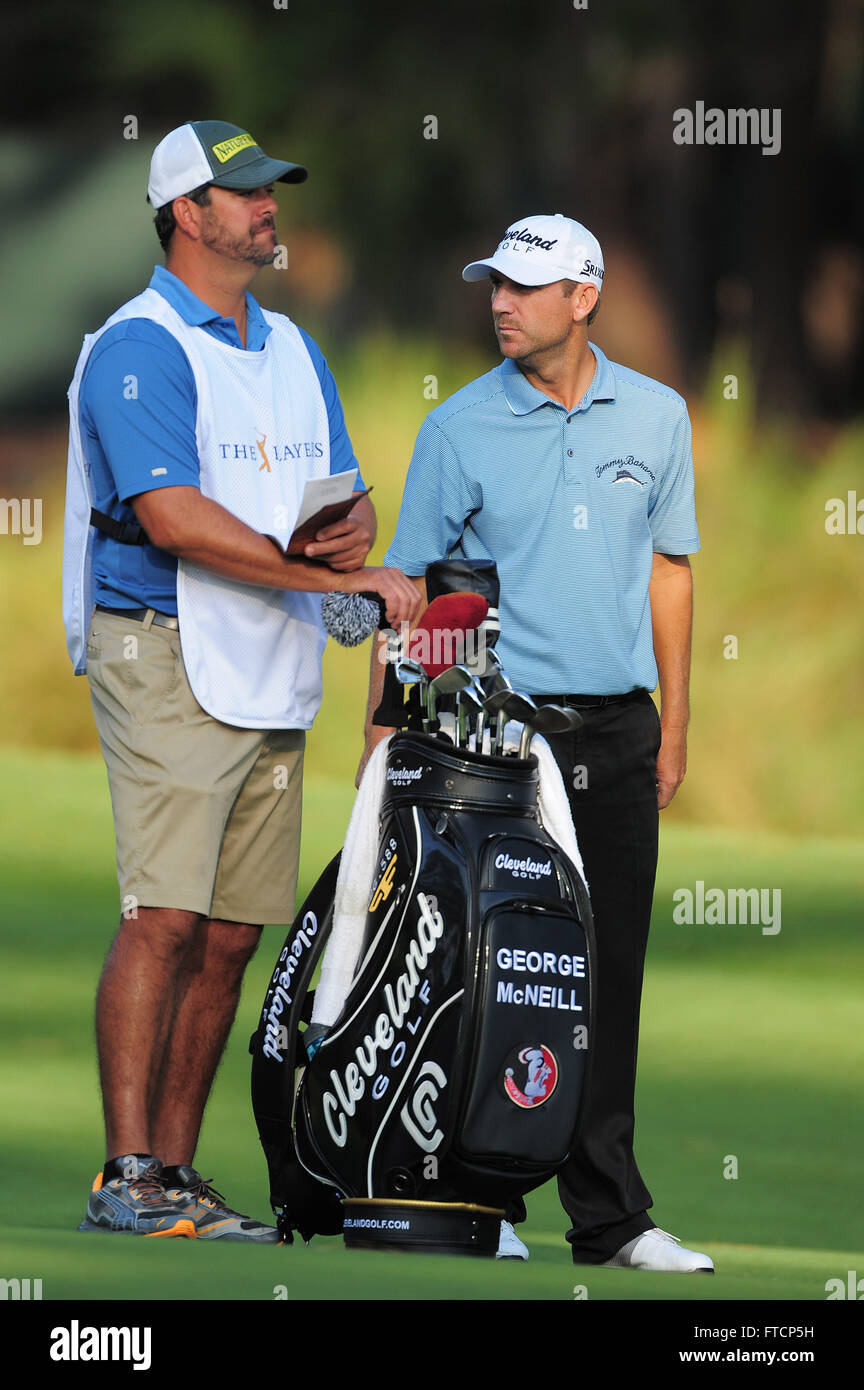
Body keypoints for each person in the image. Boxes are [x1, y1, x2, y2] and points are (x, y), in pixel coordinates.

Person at [63, 119, 419, 1241]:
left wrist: (348, 541)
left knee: (228, 933)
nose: (269, 207)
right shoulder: (135, 348)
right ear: (186, 213)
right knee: (165, 913)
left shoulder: (292, 347)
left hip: (269, 651)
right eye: (245, 192)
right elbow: (172, 520)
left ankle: (176, 1171)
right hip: (161, 644)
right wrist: (337, 572)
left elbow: (345, 494)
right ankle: (126, 1173)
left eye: (272, 189)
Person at [359, 214, 713, 1273]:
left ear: (584, 297)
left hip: (618, 725)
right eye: (494, 284)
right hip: (494, 742)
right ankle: (481, 1199)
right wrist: (382, 744)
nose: (501, 302)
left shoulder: (657, 415)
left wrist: (678, 720)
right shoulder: (458, 427)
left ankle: (609, 1219)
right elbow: (409, 592)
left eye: (524, 285)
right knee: (497, 966)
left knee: (606, 975)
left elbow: (672, 571)